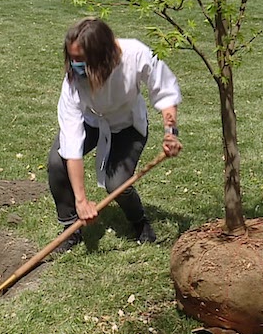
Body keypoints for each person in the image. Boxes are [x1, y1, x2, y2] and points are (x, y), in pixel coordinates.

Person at [47, 18, 183, 254]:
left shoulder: (136, 54)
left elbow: (165, 90)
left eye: (80, 60)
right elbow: (71, 141)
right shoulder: (73, 82)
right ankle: (71, 227)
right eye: (71, 58)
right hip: (92, 121)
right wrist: (81, 200)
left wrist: (171, 133)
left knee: (117, 183)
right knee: (57, 163)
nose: (74, 64)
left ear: (103, 56)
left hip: (127, 124)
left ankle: (139, 222)